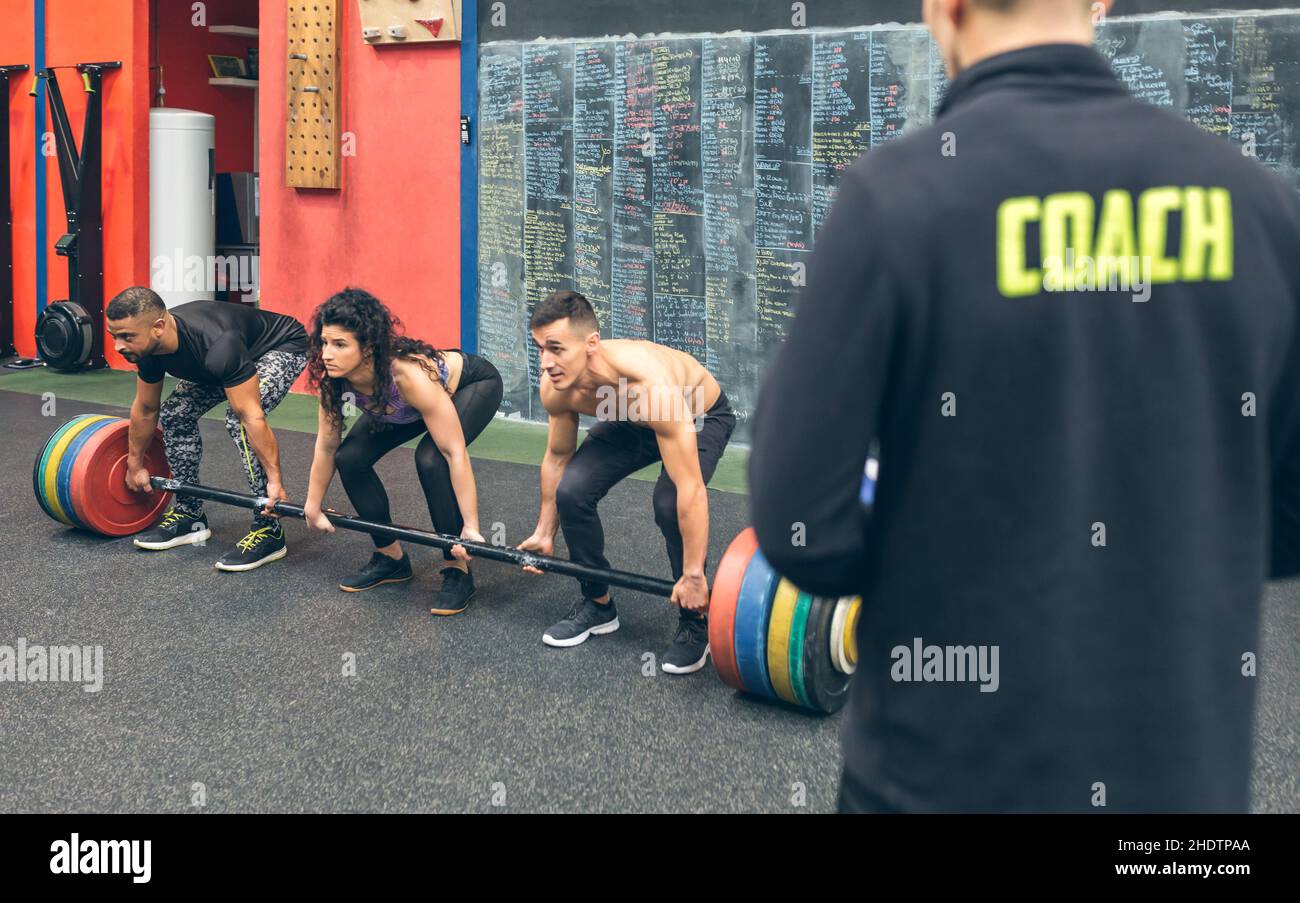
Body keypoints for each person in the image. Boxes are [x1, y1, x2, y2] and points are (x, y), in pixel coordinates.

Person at [749, 0, 1300, 812]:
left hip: (937, 780)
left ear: (944, 6)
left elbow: (803, 523)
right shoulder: (1256, 205)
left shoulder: (895, 200)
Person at [517, 290, 736, 674]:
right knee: (572, 491)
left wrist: (694, 576)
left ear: (591, 344)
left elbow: (691, 490)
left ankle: (694, 619)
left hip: (697, 414)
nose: (546, 362)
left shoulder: (649, 384)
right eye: (539, 349)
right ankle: (597, 603)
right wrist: (544, 530)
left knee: (669, 502)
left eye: (556, 348)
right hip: (628, 415)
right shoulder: (557, 386)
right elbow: (557, 457)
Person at [301, 287, 503, 615]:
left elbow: (454, 452)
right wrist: (312, 505)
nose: (326, 353)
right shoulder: (335, 378)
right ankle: (390, 557)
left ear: (367, 349)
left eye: (339, 344)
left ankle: (457, 567)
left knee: (431, 458)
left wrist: (471, 526)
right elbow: (327, 445)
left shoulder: (407, 375)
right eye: (324, 342)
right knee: (350, 458)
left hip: (470, 385)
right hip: (400, 406)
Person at [112, 287, 308, 571]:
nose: (118, 345)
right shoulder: (147, 350)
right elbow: (146, 409)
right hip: (222, 362)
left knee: (237, 419)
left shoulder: (216, 344)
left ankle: (269, 528)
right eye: (115, 336)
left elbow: (251, 416)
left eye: (126, 337)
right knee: (175, 412)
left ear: (157, 327)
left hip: (278, 347)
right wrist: (133, 463)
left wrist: (275, 481)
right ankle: (189, 514)